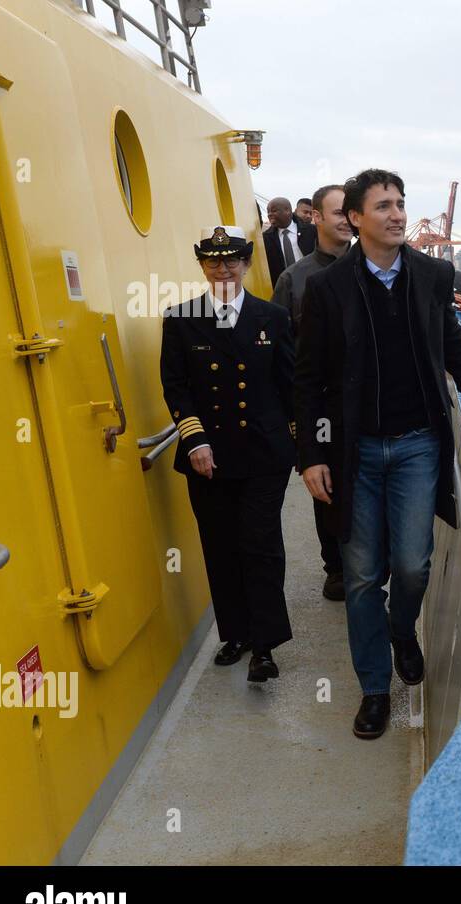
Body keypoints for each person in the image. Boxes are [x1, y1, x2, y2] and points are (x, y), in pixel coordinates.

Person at [294, 168, 461, 740]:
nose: (397, 214)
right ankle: (373, 689)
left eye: (402, 204)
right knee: (362, 575)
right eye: (383, 205)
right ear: (355, 218)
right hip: (354, 452)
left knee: (410, 565)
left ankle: (402, 629)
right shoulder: (328, 288)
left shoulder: (433, 274)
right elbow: (308, 377)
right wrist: (310, 453)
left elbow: (451, 340)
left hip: (417, 445)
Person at [160, 226, 296, 682]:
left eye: (232, 260)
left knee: (260, 545)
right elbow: (176, 387)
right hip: (208, 456)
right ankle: (234, 634)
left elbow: (288, 384)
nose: (223, 269)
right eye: (213, 261)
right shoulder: (180, 320)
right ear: (202, 265)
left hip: (262, 454)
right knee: (220, 548)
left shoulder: (272, 318)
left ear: (246, 263)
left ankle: (265, 646)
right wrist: (194, 440)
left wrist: (300, 443)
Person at [271, 184, 352, 601]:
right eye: (335, 212)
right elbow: (280, 356)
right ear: (315, 217)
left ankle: (366, 565)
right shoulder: (294, 280)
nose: (344, 219)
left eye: (349, 212)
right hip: (318, 405)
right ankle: (335, 566)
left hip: (365, 402)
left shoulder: (375, 270)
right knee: (326, 487)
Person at [262, 197, 316, 287]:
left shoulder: (312, 231)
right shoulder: (266, 239)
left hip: (312, 284)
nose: (270, 214)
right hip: (286, 290)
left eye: (274, 211)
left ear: (288, 211)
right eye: (268, 212)